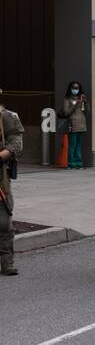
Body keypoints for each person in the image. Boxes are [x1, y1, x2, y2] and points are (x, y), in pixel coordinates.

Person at [0, 95, 24, 275]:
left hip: (0, 175)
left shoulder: (6, 116)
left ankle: (7, 262)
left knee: (3, 221)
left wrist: (3, 155)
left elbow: (16, 140)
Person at [59, 81, 90, 169]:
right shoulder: (67, 99)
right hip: (72, 124)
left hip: (82, 125)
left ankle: (79, 163)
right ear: (70, 88)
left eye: (77, 88)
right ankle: (71, 164)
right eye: (74, 88)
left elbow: (88, 111)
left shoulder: (82, 98)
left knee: (79, 146)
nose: (75, 90)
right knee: (72, 145)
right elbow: (66, 112)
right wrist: (76, 103)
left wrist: (86, 102)